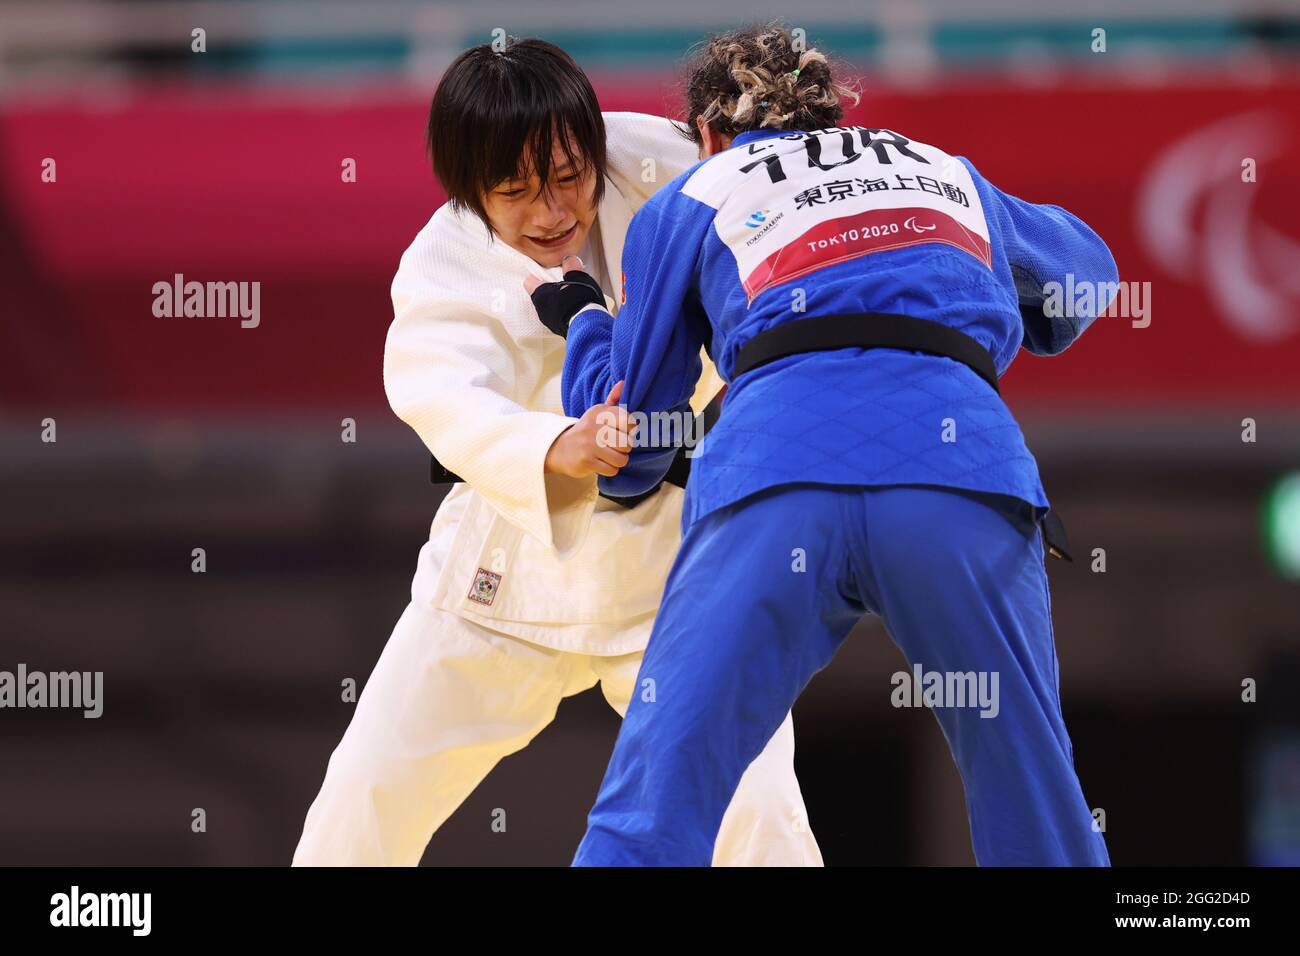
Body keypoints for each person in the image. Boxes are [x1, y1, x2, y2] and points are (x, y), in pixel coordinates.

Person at [529, 23, 1115, 866]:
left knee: (656, 805)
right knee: (1035, 802)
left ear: (707, 134)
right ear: (835, 113)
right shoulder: (938, 168)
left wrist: (584, 316)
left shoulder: (696, 195)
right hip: (959, 478)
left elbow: (634, 450)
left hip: (775, 481)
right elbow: (1084, 278)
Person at [292, 37, 822, 867]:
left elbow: (762, 181)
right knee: (366, 795)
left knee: (760, 814)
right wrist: (557, 446)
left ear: (593, 148)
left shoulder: (654, 162)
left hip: (671, 575)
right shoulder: (443, 263)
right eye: (515, 192)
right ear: (472, 191)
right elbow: (441, 398)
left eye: (568, 177)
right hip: (506, 580)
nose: (553, 212)